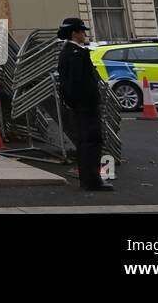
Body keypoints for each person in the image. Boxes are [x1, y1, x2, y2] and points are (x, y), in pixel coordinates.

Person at [56, 17, 113, 192]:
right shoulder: (75, 54)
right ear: (74, 33)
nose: (84, 34)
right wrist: (84, 101)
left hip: (80, 104)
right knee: (91, 141)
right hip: (85, 105)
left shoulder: (69, 51)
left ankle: (88, 179)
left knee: (86, 141)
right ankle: (92, 180)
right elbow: (77, 82)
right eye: (82, 31)